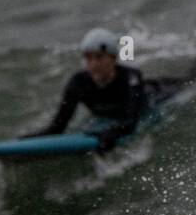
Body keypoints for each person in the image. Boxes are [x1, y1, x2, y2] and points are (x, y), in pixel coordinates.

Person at [21, 27, 149, 152]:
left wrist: (112, 134)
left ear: (113, 58)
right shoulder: (78, 83)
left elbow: (131, 123)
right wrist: (26, 141)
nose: (93, 64)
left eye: (99, 57)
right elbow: (58, 127)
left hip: (153, 97)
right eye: (88, 57)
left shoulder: (131, 78)